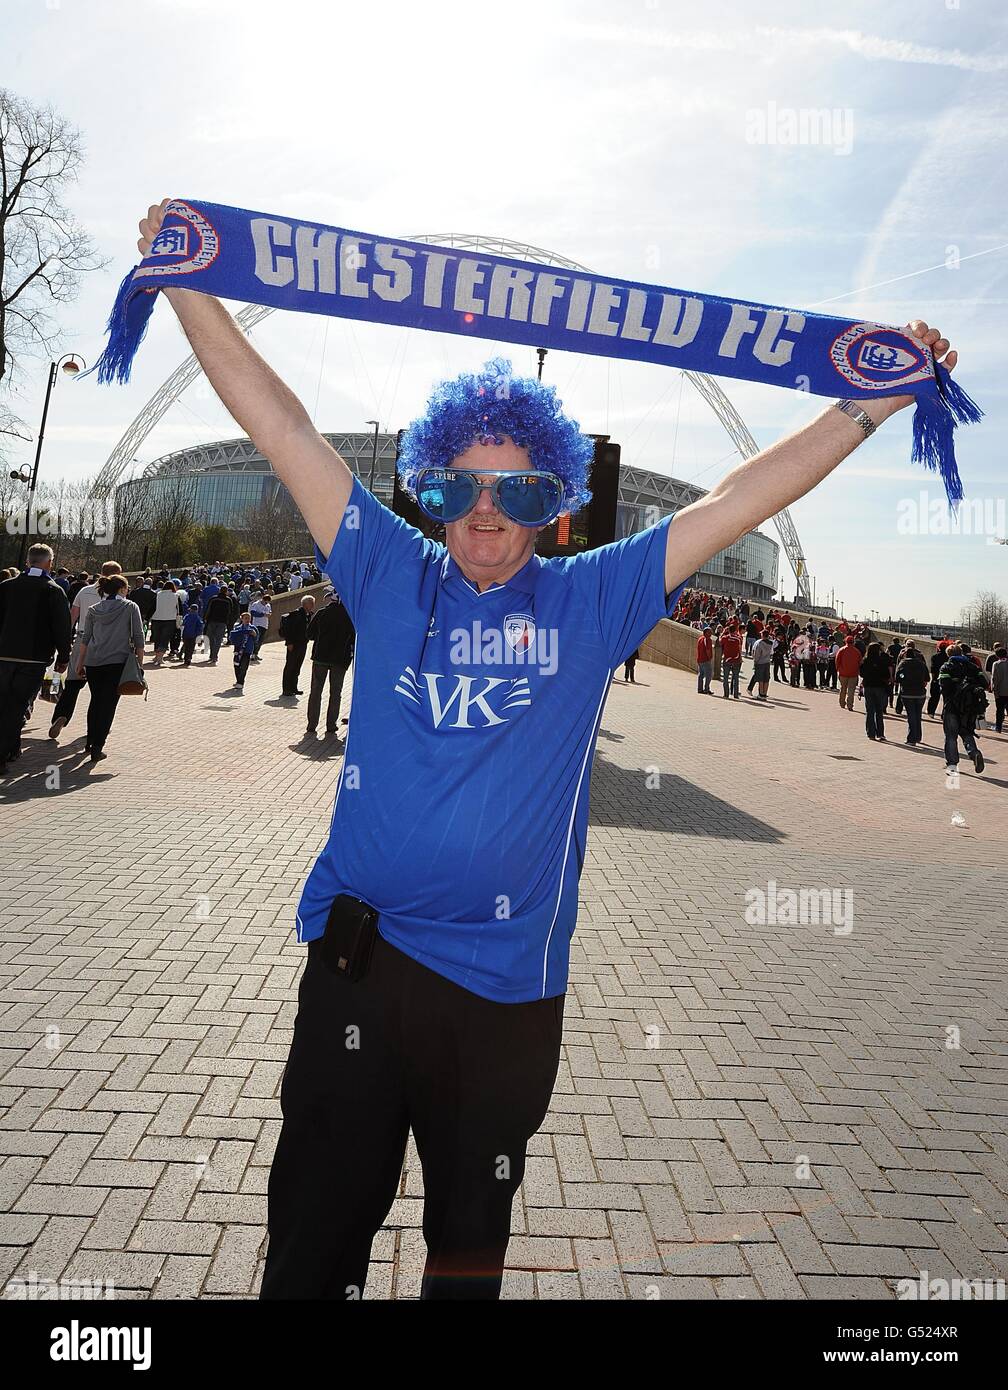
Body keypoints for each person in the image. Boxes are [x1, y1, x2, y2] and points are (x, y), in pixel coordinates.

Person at [137, 197, 960, 1303]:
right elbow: (285, 429)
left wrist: (865, 411)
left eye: (518, 488)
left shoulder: (590, 599)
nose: (486, 511)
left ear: (555, 504)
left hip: (503, 999)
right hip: (357, 976)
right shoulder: (386, 569)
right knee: (310, 1247)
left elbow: (735, 497)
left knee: (466, 1256)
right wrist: (187, 281)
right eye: (460, 485)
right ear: (427, 491)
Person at [0, 544, 71, 776]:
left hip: (3, 654)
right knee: (17, 705)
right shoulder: (52, 590)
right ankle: (4, 753)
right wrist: (63, 656)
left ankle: (10, 748)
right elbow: (61, 627)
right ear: (49, 563)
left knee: (3, 703)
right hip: (34, 658)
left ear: (28, 561)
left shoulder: (6, 587)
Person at [48, 560, 123, 741]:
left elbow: (71, 618)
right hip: (107, 645)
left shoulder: (85, 591)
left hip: (83, 639)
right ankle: (97, 729)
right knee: (101, 692)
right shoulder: (120, 598)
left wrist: (65, 644)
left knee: (73, 684)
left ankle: (62, 715)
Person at [75, 573, 145, 764]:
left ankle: (90, 740)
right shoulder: (130, 607)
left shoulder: (93, 609)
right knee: (109, 704)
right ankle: (98, 745)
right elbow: (139, 637)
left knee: (96, 700)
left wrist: (80, 662)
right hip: (118, 661)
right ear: (122, 589)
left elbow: (85, 637)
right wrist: (139, 663)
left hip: (94, 661)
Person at [305, 589, 355, 737]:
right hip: (340, 659)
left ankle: (312, 724)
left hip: (321, 657)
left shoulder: (321, 613)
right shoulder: (350, 617)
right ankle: (331, 725)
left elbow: (310, 634)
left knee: (316, 691)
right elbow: (354, 637)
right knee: (336, 693)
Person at [938, 642, 989, 774]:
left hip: (952, 706)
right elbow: (984, 683)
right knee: (966, 732)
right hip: (969, 707)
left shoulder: (947, 667)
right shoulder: (972, 666)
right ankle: (974, 753)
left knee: (950, 736)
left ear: (948, 654)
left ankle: (952, 764)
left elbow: (945, 687)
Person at [280, 594, 316, 696]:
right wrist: (289, 642)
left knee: (297, 666)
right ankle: (286, 689)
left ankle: (293, 687)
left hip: (302, 643)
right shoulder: (296, 614)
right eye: (311, 604)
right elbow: (289, 630)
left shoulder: (308, 615)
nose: (313, 606)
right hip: (294, 644)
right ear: (305, 604)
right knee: (290, 666)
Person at [894, 640, 928, 746]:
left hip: (907, 692)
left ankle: (911, 739)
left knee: (911, 716)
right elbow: (927, 678)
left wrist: (904, 679)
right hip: (920, 693)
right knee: (918, 715)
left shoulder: (903, 663)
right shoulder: (921, 664)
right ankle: (918, 736)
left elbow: (898, 677)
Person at [861, 641, 891, 742]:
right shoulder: (882, 661)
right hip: (880, 687)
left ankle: (871, 733)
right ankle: (880, 733)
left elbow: (861, 673)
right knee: (879, 711)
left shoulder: (865, 660)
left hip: (868, 686)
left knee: (869, 711)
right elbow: (886, 675)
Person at [151, 580, 180, 666]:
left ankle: (157, 656)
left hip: (156, 618)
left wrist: (147, 618)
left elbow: (152, 607)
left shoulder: (158, 595)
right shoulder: (176, 596)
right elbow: (180, 609)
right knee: (165, 639)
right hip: (170, 619)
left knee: (157, 638)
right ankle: (160, 658)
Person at [230, 611, 259, 693]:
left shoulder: (253, 628)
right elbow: (232, 637)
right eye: (246, 618)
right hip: (238, 650)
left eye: (249, 618)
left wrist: (254, 635)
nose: (247, 620)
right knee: (236, 666)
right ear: (241, 619)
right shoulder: (237, 628)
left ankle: (240, 682)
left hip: (247, 650)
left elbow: (256, 640)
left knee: (244, 666)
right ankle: (238, 680)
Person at [835, 634, 862, 711]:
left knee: (843, 688)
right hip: (853, 673)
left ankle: (842, 703)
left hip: (843, 673)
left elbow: (837, 661)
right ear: (853, 642)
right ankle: (850, 705)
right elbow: (860, 662)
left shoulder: (841, 650)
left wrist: (838, 669)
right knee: (851, 690)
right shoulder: (857, 651)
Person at [719, 623, 742, 699]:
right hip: (736, 659)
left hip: (727, 659)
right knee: (735, 677)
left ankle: (726, 694)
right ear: (735, 630)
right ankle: (735, 694)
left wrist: (723, 633)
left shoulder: (725, 638)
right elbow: (740, 649)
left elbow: (719, 642)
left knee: (725, 678)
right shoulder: (738, 639)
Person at [749, 632, 773, 700]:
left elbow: (757, 653)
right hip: (767, 662)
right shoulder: (771, 643)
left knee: (761, 679)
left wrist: (755, 661)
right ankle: (764, 693)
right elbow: (772, 652)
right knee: (766, 679)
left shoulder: (760, 643)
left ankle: (761, 694)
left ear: (762, 635)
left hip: (760, 662)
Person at [249, 590, 272, 660]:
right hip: (257, 624)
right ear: (263, 599)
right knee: (256, 639)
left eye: (267, 603)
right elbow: (252, 613)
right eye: (265, 602)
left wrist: (269, 614)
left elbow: (270, 611)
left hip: (264, 624)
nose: (266, 604)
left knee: (261, 641)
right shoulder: (256, 604)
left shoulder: (268, 605)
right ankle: (252, 654)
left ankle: (256, 653)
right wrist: (263, 614)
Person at [991, 647, 1008, 734]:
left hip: (1000, 691)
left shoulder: (996, 664)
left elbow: (994, 679)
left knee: (1000, 711)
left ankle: (998, 727)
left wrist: (994, 690)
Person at [696, 625, 713, 694]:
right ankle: (706, 689)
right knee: (709, 675)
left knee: (701, 675)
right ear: (705, 633)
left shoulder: (700, 639)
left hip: (699, 659)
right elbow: (708, 649)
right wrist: (709, 658)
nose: (711, 634)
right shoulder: (707, 640)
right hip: (705, 660)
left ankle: (700, 689)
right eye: (709, 632)